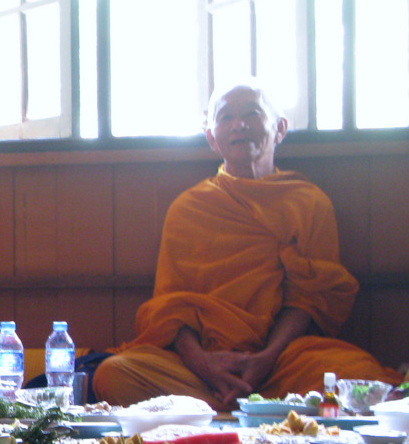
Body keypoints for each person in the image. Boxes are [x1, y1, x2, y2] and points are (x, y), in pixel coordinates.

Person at [93, 81, 403, 410]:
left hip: (284, 361)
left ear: (280, 128)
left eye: (252, 113)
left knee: (365, 378)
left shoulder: (308, 202)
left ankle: (212, 410)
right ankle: (250, 406)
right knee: (113, 375)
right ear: (211, 137)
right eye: (225, 117)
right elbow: (169, 310)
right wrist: (205, 365)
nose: (239, 125)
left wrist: (267, 357)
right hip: (200, 367)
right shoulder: (190, 208)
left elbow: (312, 300)